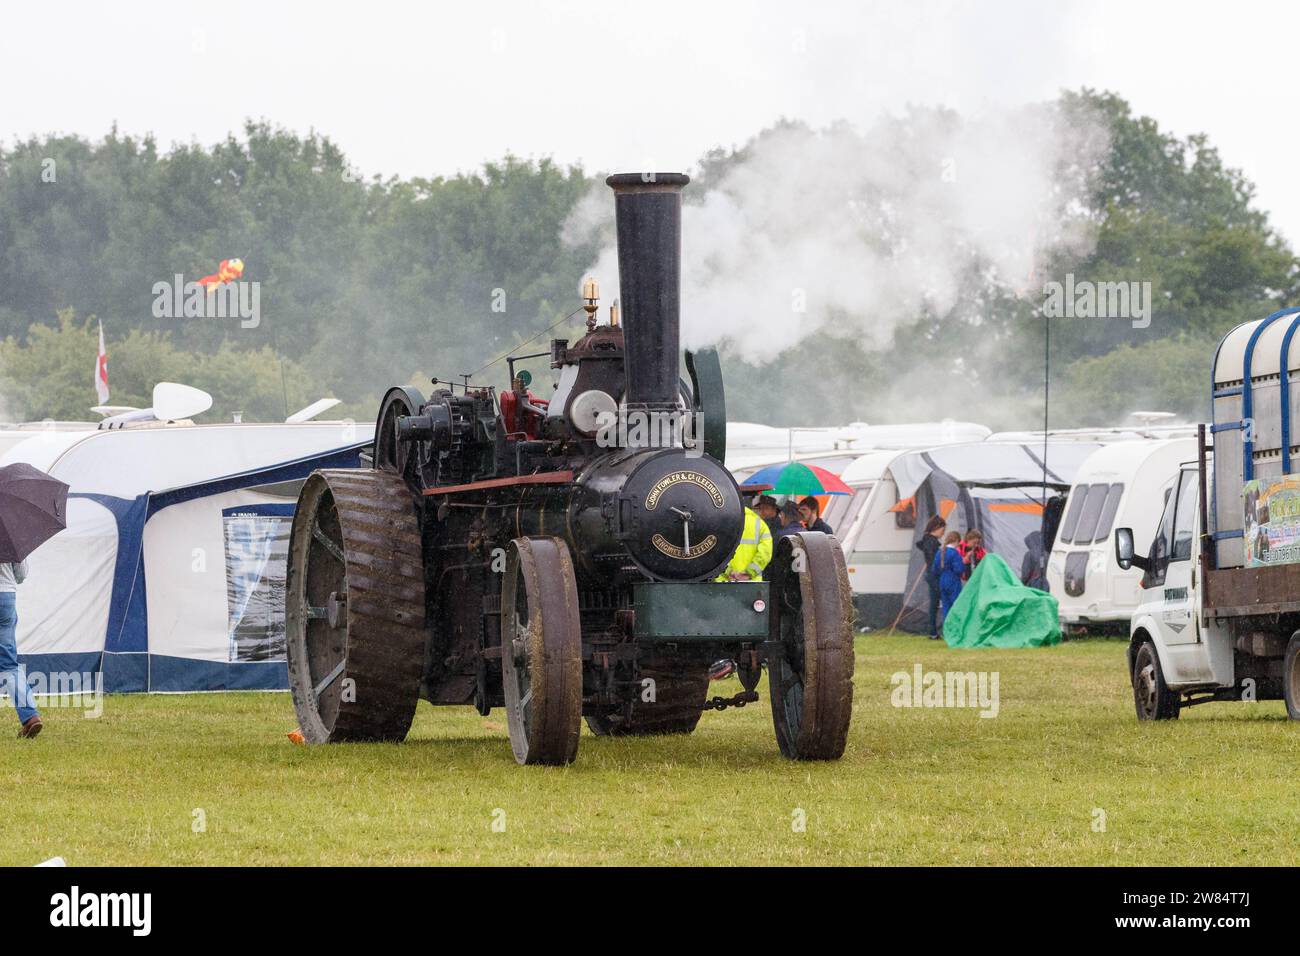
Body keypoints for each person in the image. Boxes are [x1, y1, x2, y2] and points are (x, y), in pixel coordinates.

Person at [0, 560, 40, 738]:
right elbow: (21, 573)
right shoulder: (8, 533)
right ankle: (30, 716)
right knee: (8, 664)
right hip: (5, 596)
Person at [715, 506, 774, 582]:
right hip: (751, 584)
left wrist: (729, 571)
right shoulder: (760, 524)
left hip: (724, 583)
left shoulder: (723, 522)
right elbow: (765, 553)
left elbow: (716, 552)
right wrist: (748, 573)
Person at [916, 515, 947, 639]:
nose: (943, 532)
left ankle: (933, 632)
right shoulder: (931, 541)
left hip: (932, 575)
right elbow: (933, 560)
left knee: (934, 604)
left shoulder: (929, 540)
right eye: (942, 529)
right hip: (934, 576)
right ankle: (936, 631)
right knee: (943, 601)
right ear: (936, 528)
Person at [932, 531, 965, 634]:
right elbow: (959, 569)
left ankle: (947, 632)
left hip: (942, 581)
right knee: (956, 606)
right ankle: (956, 631)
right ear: (956, 540)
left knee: (946, 607)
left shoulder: (939, 552)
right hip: (953, 581)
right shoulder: (954, 553)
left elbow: (934, 570)